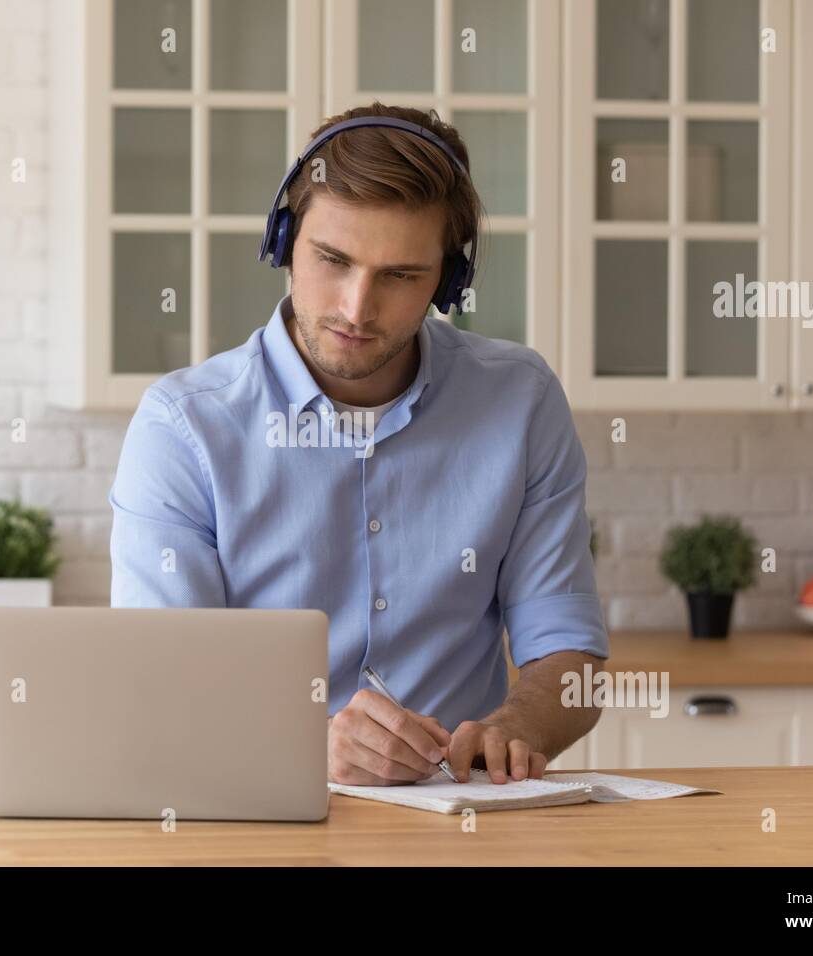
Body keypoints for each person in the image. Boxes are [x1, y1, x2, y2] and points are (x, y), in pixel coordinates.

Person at [111, 102, 608, 786]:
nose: (355, 307)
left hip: (458, 822)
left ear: (450, 280)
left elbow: (565, 646)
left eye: (401, 275)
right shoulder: (183, 427)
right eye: (333, 260)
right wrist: (307, 745)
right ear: (283, 242)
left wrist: (518, 724)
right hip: (261, 815)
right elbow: (160, 683)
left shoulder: (520, 401)